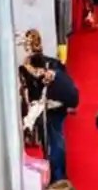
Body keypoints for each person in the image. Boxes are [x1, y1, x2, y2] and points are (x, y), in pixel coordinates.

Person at [19, 29, 79, 182]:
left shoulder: (26, 67)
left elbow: (29, 91)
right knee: (56, 139)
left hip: (44, 107)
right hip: (58, 105)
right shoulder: (52, 62)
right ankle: (59, 174)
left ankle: (57, 176)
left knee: (51, 142)